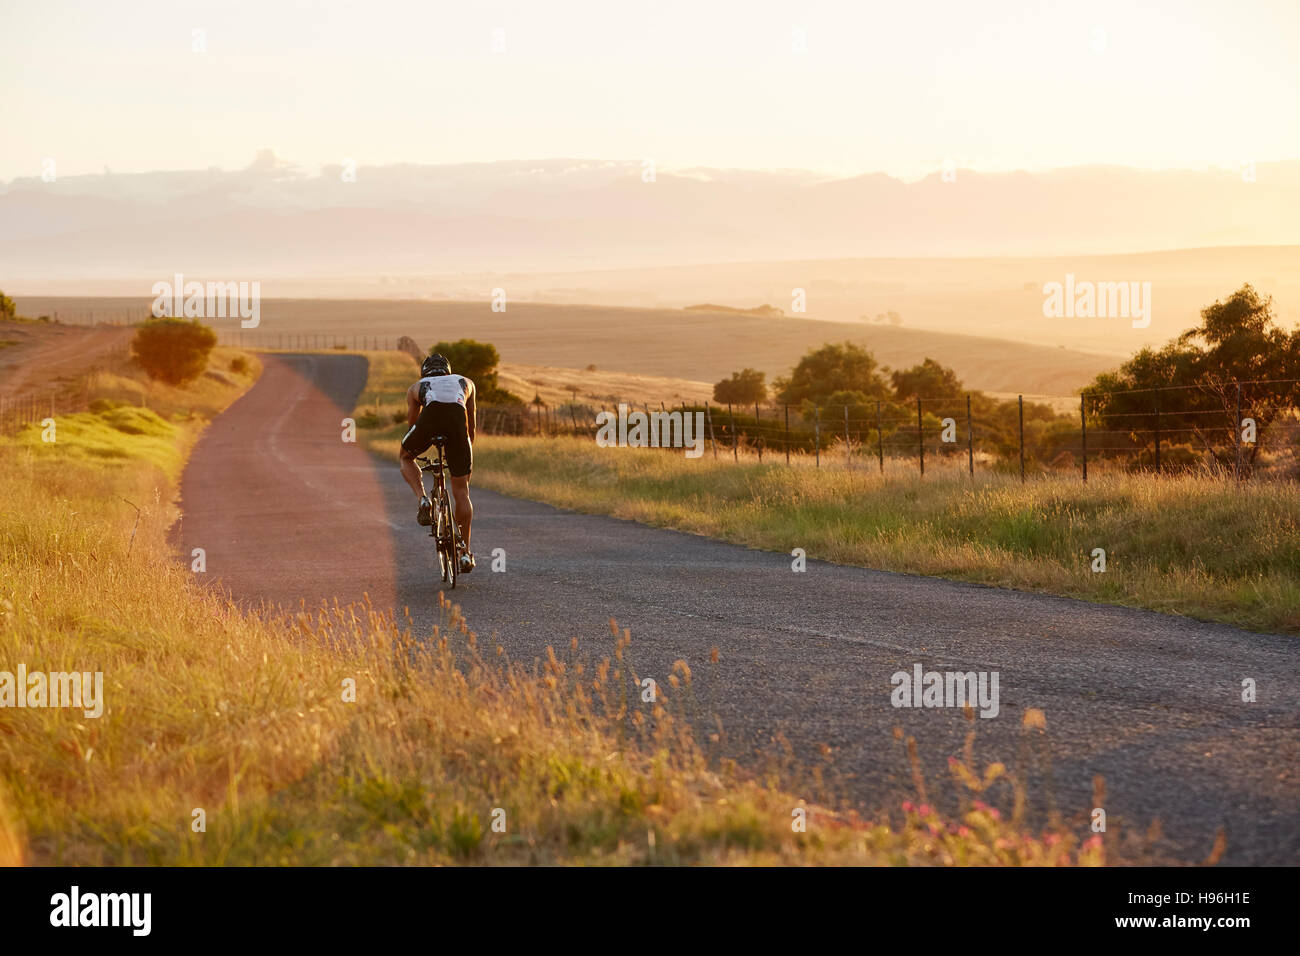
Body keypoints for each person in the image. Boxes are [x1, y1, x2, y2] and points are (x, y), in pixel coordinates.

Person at [399, 353, 476, 573]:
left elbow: (413, 425)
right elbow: (471, 428)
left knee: (405, 457)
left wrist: (427, 441)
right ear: (448, 371)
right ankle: (464, 552)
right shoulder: (466, 382)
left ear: (424, 372)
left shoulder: (417, 386)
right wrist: (464, 453)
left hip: (429, 419)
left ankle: (423, 499)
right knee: (462, 492)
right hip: (457, 425)